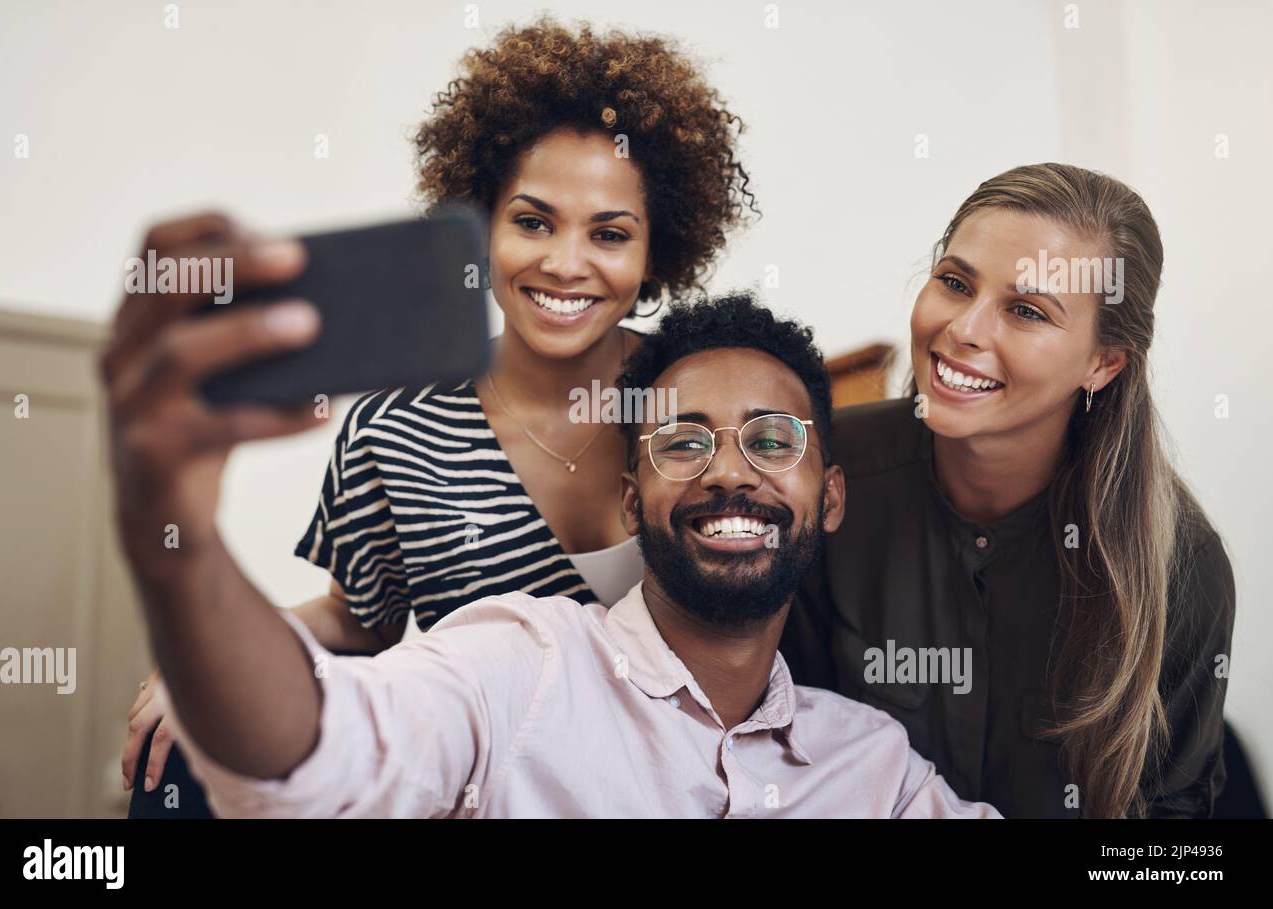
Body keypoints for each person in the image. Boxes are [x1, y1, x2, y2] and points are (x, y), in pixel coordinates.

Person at [120, 17, 757, 803]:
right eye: (532, 221)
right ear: (481, 223)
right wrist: (207, 661)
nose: (565, 263)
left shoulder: (702, 400)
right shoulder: (393, 429)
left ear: (657, 251)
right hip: (503, 786)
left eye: (610, 233)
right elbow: (363, 624)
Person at [120, 294, 1000, 818]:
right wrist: (181, 544)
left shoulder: (873, 766)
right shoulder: (519, 664)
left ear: (832, 496)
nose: (730, 470)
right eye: (683, 443)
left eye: (773, 440)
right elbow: (322, 745)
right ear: (630, 500)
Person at [781, 163, 1236, 818]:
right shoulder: (821, 473)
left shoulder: (1184, 567)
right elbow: (768, 749)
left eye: (1025, 310)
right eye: (955, 282)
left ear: (1103, 363)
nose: (964, 329)